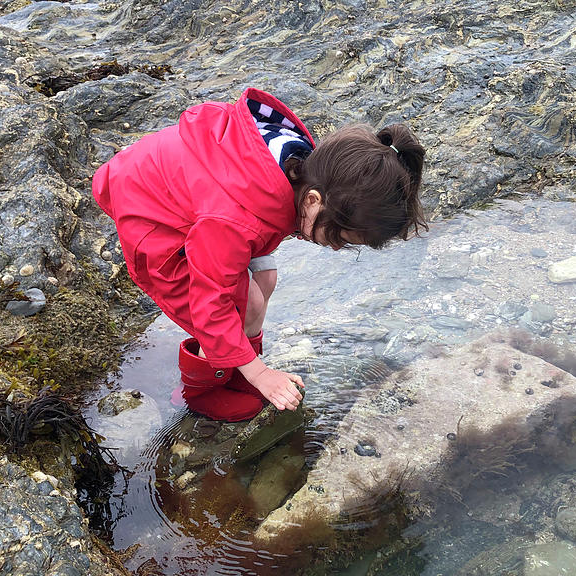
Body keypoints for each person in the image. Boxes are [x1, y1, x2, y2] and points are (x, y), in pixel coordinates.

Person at [92, 88, 426, 422]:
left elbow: (251, 218)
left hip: (183, 192)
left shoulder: (299, 168)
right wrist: (261, 374)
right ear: (313, 201)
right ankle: (200, 392)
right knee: (232, 306)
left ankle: (236, 368)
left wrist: (257, 259)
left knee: (264, 280)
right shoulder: (233, 221)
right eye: (339, 237)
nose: (337, 247)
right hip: (152, 215)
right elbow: (211, 304)